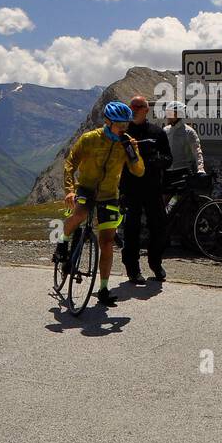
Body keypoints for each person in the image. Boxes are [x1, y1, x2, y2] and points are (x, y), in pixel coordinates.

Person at [55, 101, 145, 307]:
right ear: (108, 121)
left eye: (126, 125)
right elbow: (70, 163)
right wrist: (69, 190)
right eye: (119, 124)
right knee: (79, 214)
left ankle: (103, 289)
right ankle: (62, 240)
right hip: (86, 188)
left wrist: (134, 153)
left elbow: (139, 171)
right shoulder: (90, 139)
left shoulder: (127, 142)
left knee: (106, 242)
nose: (123, 129)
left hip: (109, 194)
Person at [119, 95, 172, 284]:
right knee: (131, 228)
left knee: (159, 226)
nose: (133, 109)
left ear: (146, 110)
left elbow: (168, 159)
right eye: (131, 105)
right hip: (131, 188)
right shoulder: (123, 132)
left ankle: (155, 263)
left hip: (152, 188)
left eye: (138, 106)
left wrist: (155, 162)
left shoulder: (157, 132)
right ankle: (132, 269)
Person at [164, 101, 206, 179]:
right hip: (166, 172)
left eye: (170, 113)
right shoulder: (165, 130)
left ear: (178, 114)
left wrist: (200, 168)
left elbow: (197, 151)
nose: (167, 116)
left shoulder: (189, 131)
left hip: (182, 171)